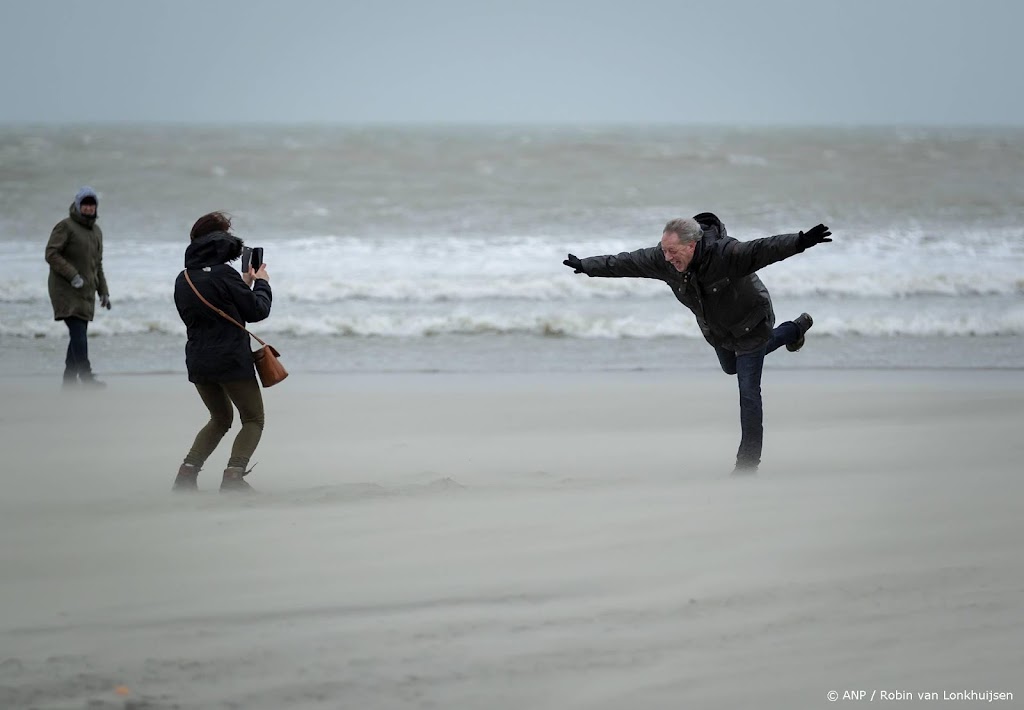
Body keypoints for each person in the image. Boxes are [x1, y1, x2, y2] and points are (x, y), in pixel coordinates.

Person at [563, 213, 832, 474]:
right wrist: (587, 266)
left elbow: (762, 249)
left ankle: (747, 465)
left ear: (691, 245)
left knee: (748, 392)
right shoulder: (665, 259)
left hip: (752, 322)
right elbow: (627, 262)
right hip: (720, 330)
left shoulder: (726, 254)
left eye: (672, 251)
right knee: (731, 367)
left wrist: (800, 241)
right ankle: (793, 330)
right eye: (664, 250)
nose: (667, 258)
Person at [172, 212, 272, 492]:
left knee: (220, 419)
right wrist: (262, 281)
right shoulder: (225, 275)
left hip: (199, 361)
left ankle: (186, 474)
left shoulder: (184, 279)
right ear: (220, 240)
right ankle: (233, 477)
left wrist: (244, 283)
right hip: (230, 360)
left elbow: (208, 312)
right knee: (253, 419)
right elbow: (257, 311)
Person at [45, 186, 111, 388]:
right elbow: (51, 253)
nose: (89, 208)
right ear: (77, 205)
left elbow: (97, 264)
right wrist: (72, 275)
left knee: (77, 335)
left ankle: (69, 384)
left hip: (86, 292)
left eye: (92, 204)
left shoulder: (96, 231)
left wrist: (104, 291)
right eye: (85, 204)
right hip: (66, 290)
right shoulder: (65, 227)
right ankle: (86, 376)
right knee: (79, 333)